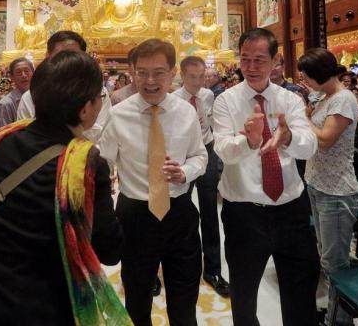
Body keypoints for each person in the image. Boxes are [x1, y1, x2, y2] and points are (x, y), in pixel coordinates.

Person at [0, 51, 126, 325]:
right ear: (85, 109)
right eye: (100, 96)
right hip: (37, 306)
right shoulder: (85, 164)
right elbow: (108, 250)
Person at [212, 28, 319, 325]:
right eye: (245, 59)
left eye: (260, 59)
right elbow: (222, 150)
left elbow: (309, 147)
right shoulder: (225, 101)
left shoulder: (291, 100)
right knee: (244, 296)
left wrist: (286, 139)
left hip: (291, 211)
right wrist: (249, 141)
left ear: (275, 61)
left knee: (300, 293)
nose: (251, 67)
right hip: (244, 214)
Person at [99, 38, 207, 326]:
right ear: (132, 72)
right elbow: (103, 161)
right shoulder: (118, 114)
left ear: (172, 73)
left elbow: (200, 156)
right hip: (135, 216)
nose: (150, 80)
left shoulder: (186, 111)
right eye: (142, 72)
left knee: (184, 303)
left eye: (159, 72)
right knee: (137, 300)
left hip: (180, 214)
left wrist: (185, 171)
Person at [297, 48, 358, 325]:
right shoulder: (326, 97)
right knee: (326, 256)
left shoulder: (343, 99)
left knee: (335, 262)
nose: (305, 81)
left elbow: (324, 140)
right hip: (318, 182)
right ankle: (334, 313)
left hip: (336, 189)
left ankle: (339, 319)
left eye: (307, 76)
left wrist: (302, 117)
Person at [173, 56, 229, 297]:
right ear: (182, 76)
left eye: (201, 76)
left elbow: (213, 125)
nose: (198, 81)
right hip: (183, 155)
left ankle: (213, 269)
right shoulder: (174, 100)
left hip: (206, 152)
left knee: (209, 211)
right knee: (181, 210)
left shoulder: (207, 96)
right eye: (192, 77)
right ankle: (183, 263)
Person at [17, 31, 112, 142]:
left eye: (74, 56)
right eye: (62, 56)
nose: (68, 62)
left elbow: (104, 134)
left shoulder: (97, 93)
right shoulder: (31, 95)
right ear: (48, 56)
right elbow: (27, 136)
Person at [0, 57, 33, 128]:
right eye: (19, 72)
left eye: (26, 71)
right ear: (11, 77)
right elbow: (3, 135)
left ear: (33, 73)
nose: (24, 75)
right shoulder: (6, 104)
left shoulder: (40, 97)